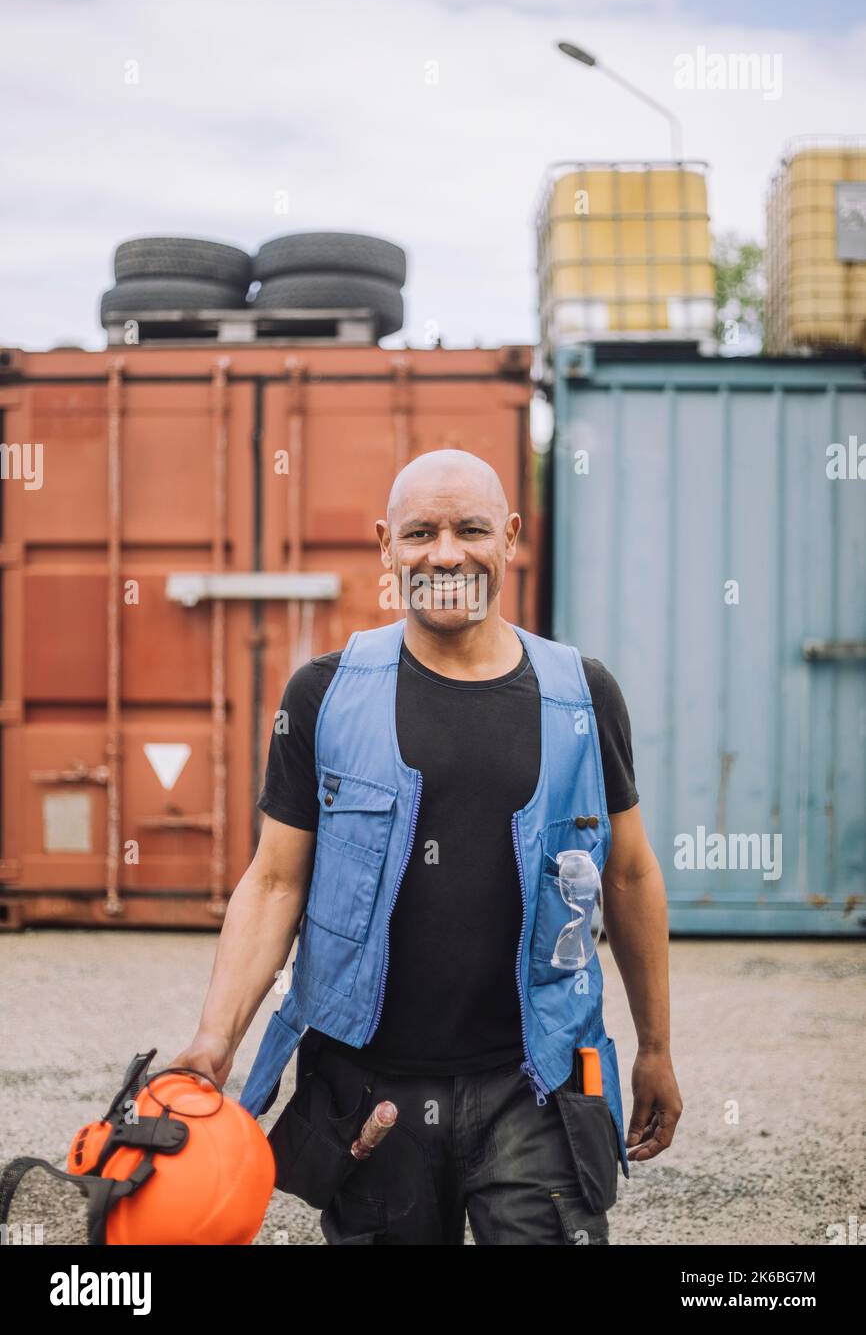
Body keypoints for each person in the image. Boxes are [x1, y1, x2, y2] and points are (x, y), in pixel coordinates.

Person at [172, 449, 682, 1245]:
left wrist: (655, 1047)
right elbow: (275, 884)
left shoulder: (581, 695)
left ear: (510, 537)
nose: (446, 553)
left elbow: (630, 873)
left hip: (536, 1084)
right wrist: (215, 1040)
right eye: (420, 533)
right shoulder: (325, 693)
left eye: (471, 528)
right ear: (386, 546)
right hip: (372, 1094)